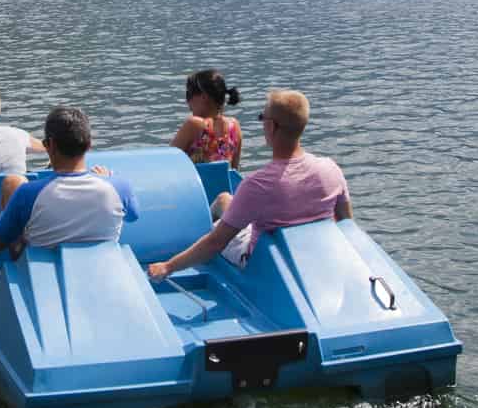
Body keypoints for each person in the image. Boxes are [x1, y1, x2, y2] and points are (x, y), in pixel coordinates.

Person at [148, 89, 350, 278]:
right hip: (313, 254)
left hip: (260, 259)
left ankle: (187, 240)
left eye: (263, 118)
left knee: (217, 224)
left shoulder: (259, 185)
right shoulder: (331, 169)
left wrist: (168, 267)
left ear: (271, 126)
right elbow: (347, 224)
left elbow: (216, 243)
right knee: (224, 199)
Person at [0, 105, 138, 253]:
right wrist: (107, 180)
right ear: (89, 144)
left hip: (41, 276)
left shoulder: (28, 194)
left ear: (49, 145)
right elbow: (132, 216)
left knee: (13, 182)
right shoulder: (120, 187)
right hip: (103, 272)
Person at [167, 68, 243, 168]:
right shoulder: (234, 127)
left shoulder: (194, 124)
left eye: (189, 95)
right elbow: (234, 171)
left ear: (203, 97)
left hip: (196, 184)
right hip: (223, 184)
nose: (187, 102)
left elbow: (167, 163)